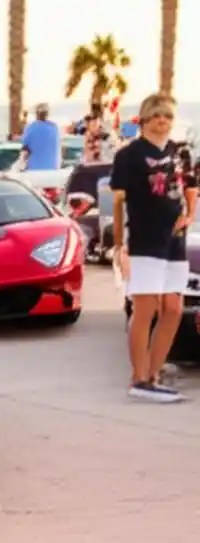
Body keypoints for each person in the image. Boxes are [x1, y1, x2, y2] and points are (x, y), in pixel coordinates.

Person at [110, 93, 197, 402]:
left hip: (174, 242)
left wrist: (189, 215)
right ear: (144, 120)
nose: (163, 121)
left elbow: (190, 187)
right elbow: (118, 202)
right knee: (146, 308)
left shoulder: (178, 152)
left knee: (173, 308)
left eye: (168, 116)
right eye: (156, 116)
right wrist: (119, 246)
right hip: (144, 240)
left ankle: (154, 374)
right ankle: (139, 379)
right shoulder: (129, 155)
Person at [19, 103, 61, 171]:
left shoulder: (30, 128)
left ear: (36, 114)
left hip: (34, 170)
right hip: (52, 170)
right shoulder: (54, 127)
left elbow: (25, 150)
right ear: (47, 114)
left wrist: (21, 166)